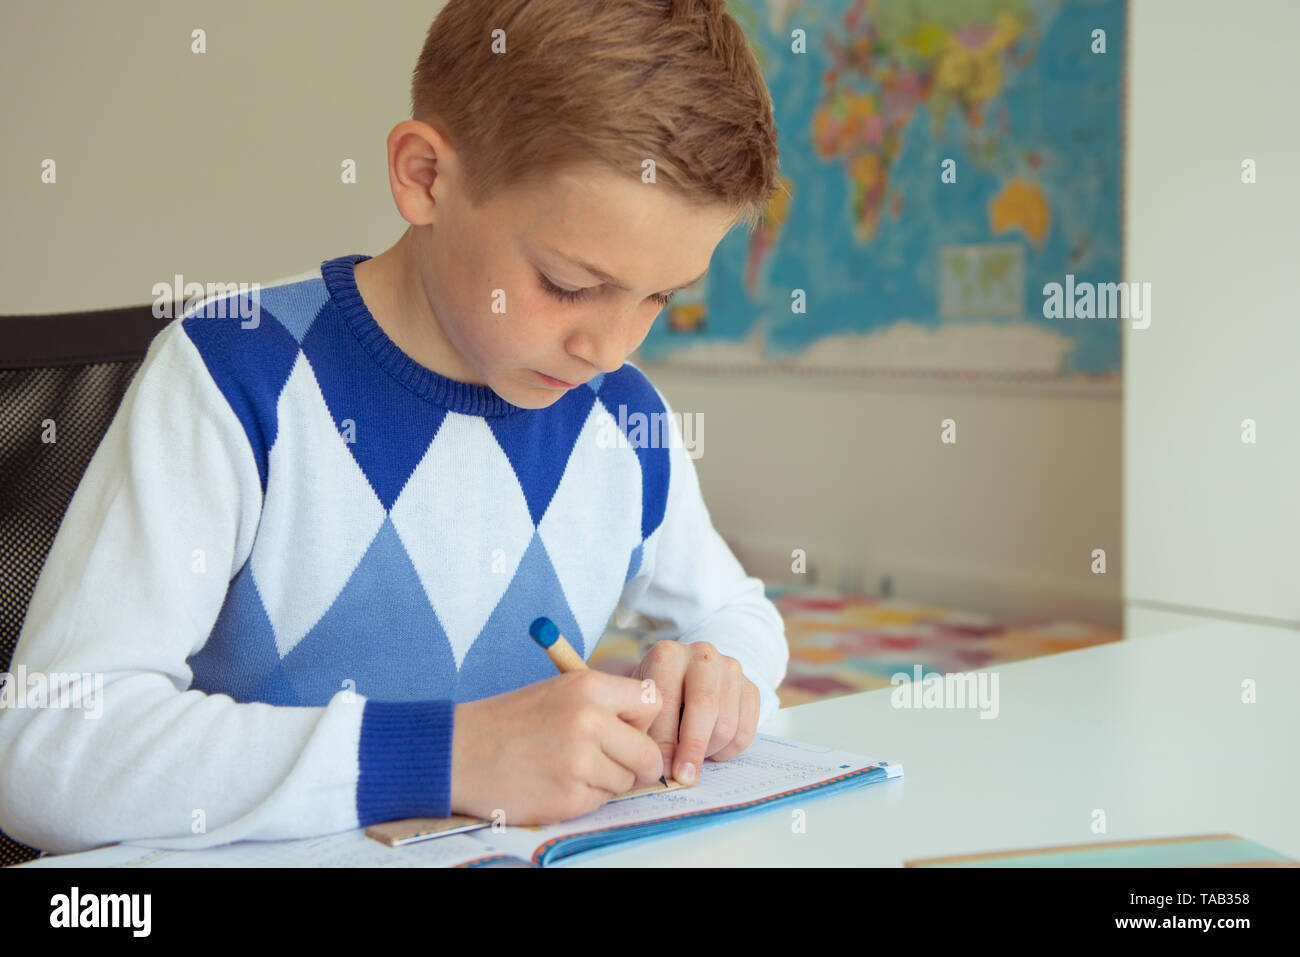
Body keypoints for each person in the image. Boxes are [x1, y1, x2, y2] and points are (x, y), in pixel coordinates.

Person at [0, 0, 789, 854]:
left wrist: (717, 676)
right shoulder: (234, 376)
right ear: (424, 177)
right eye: (568, 283)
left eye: (660, 297)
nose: (609, 348)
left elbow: (734, 613)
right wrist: (445, 756)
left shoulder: (623, 420)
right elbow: (43, 751)